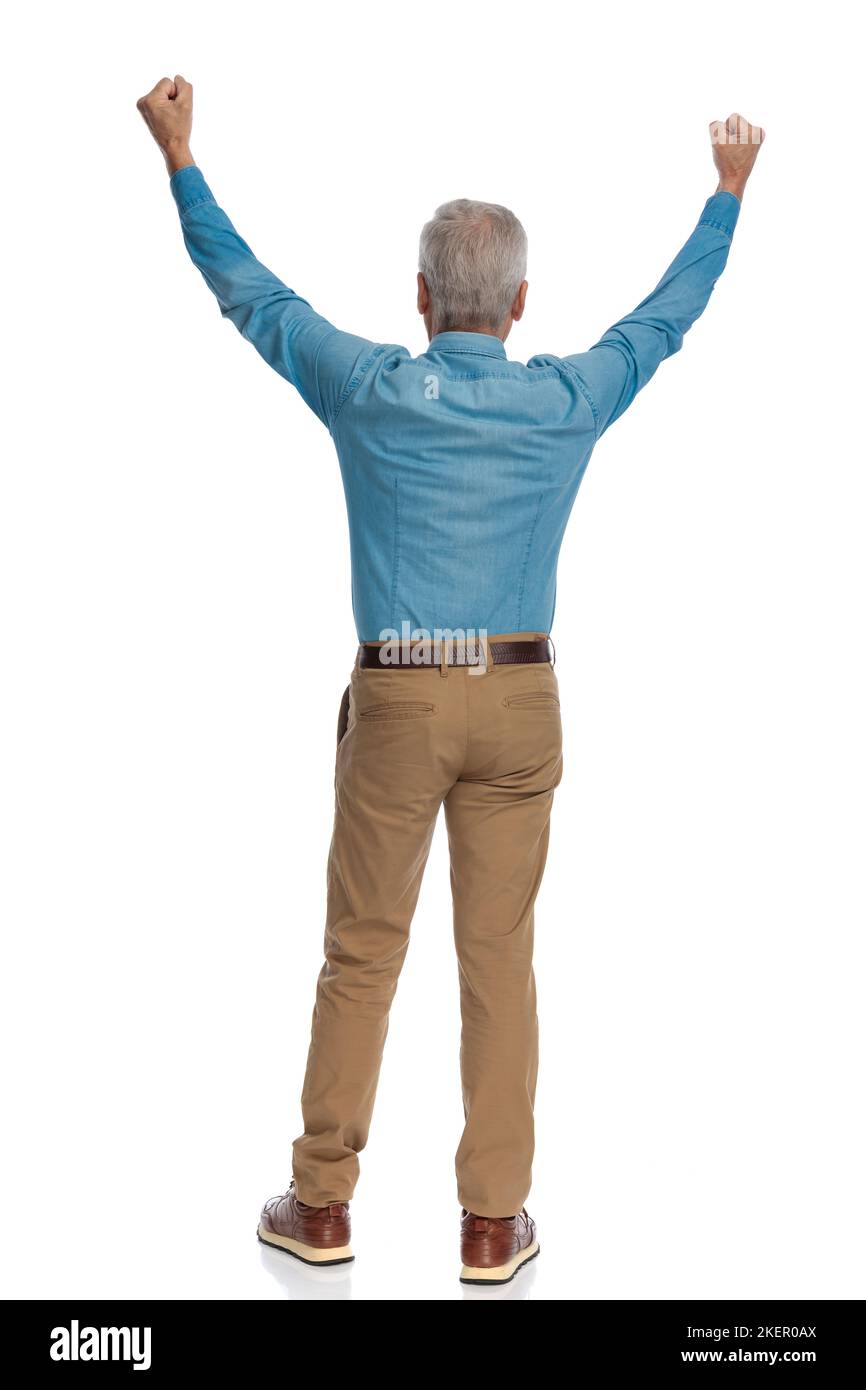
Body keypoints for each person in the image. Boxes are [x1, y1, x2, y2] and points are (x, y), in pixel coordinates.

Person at [137, 75, 764, 1285]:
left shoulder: (371, 387)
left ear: (420, 300)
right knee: (499, 961)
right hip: (521, 702)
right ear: (520, 304)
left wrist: (180, 159)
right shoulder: (565, 398)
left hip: (399, 694)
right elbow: (660, 320)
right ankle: (490, 1225)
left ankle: (319, 1207)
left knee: (361, 951)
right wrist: (724, 198)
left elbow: (251, 294)